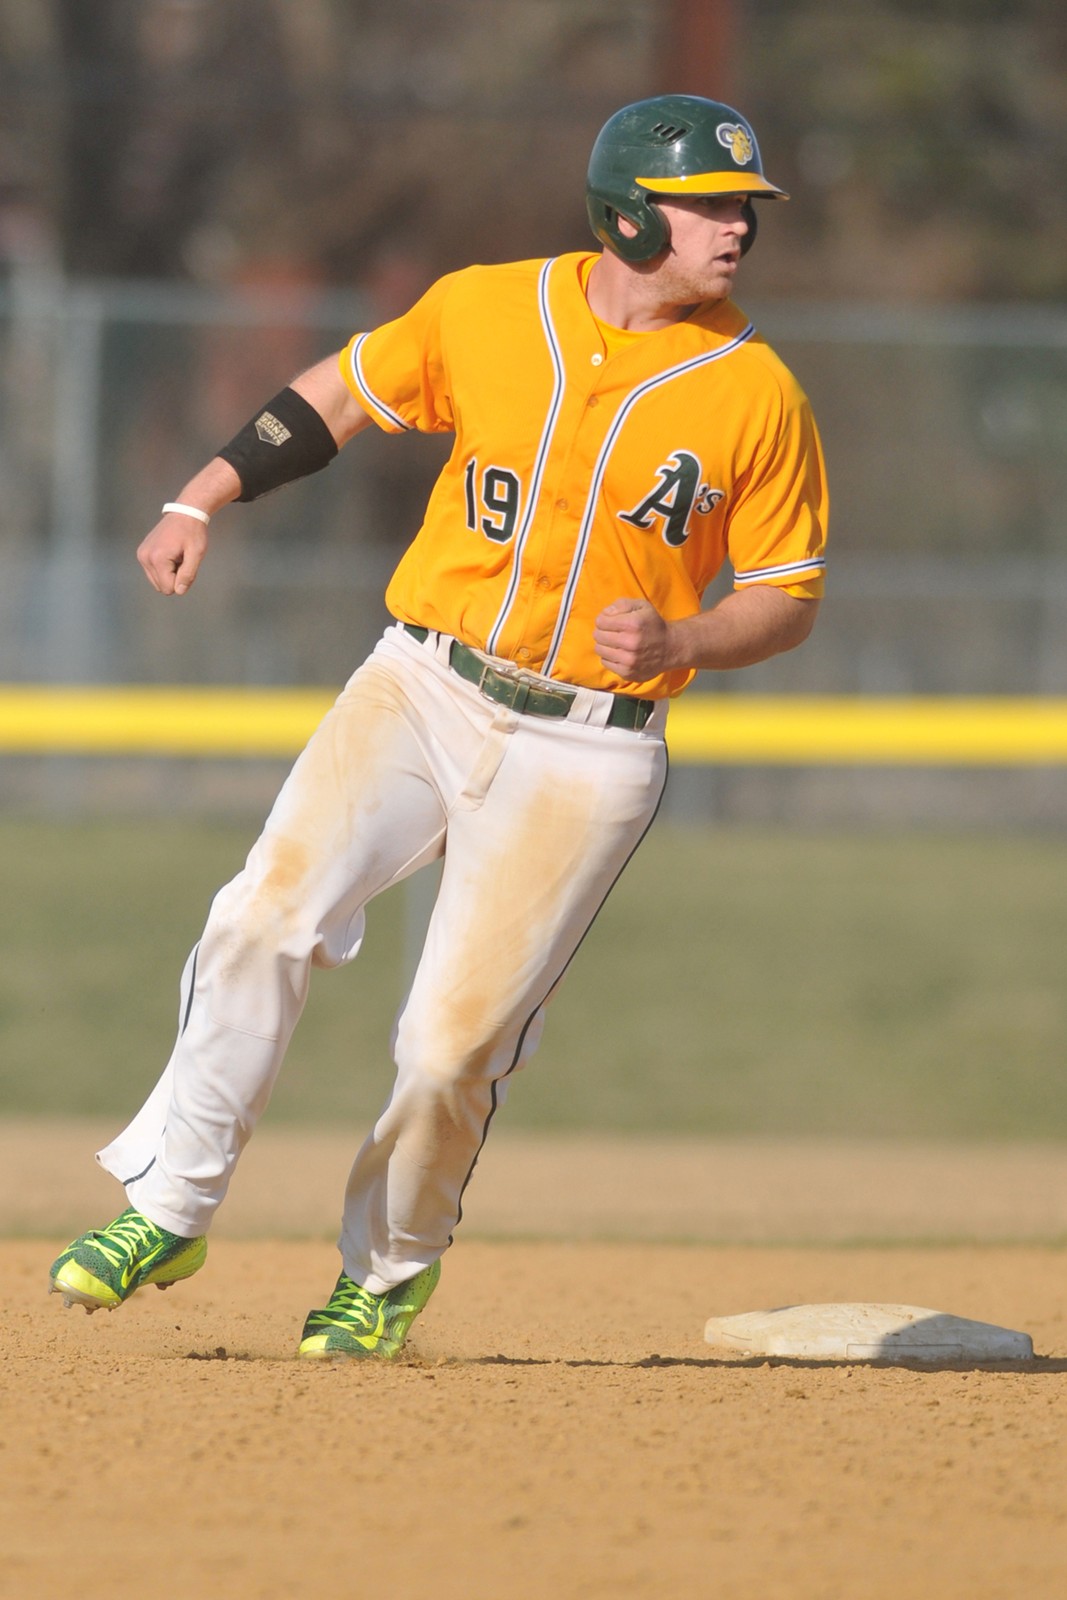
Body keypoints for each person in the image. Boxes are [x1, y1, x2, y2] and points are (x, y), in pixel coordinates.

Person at [49, 94, 828, 1360]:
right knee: (261, 915)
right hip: (422, 681)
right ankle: (170, 1204)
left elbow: (786, 596)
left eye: (745, 207)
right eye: (709, 205)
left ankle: (386, 1271)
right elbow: (341, 397)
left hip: (590, 743)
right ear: (630, 212)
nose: (736, 227)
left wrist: (686, 641)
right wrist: (197, 496)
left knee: (446, 1047)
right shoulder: (486, 308)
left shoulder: (754, 392)